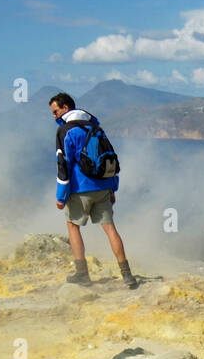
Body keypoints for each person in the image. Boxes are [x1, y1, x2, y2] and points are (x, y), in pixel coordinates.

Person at [49, 92, 138, 288]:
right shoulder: (95, 127)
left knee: (73, 226)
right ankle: (127, 274)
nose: (54, 116)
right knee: (110, 229)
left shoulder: (65, 131)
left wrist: (60, 196)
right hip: (104, 187)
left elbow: (63, 164)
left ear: (66, 108)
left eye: (55, 112)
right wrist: (112, 188)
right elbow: (109, 158)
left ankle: (82, 274)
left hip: (80, 189)